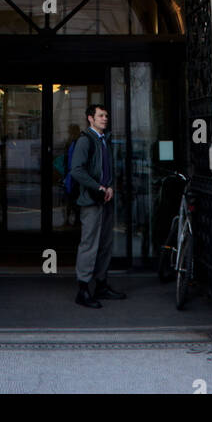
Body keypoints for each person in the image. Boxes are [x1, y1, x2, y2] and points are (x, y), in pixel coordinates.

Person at [69, 104, 127, 308]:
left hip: (105, 199)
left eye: (106, 115)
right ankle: (83, 289)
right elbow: (76, 170)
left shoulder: (105, 141)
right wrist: (99, 187)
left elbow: (106, 169)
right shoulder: (86, 141)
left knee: (105, 243)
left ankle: (101, 284)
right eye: (100, 116)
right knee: (89, 244)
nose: (105, 118)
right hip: (91, 200)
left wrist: (109, 186)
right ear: (90, 119)